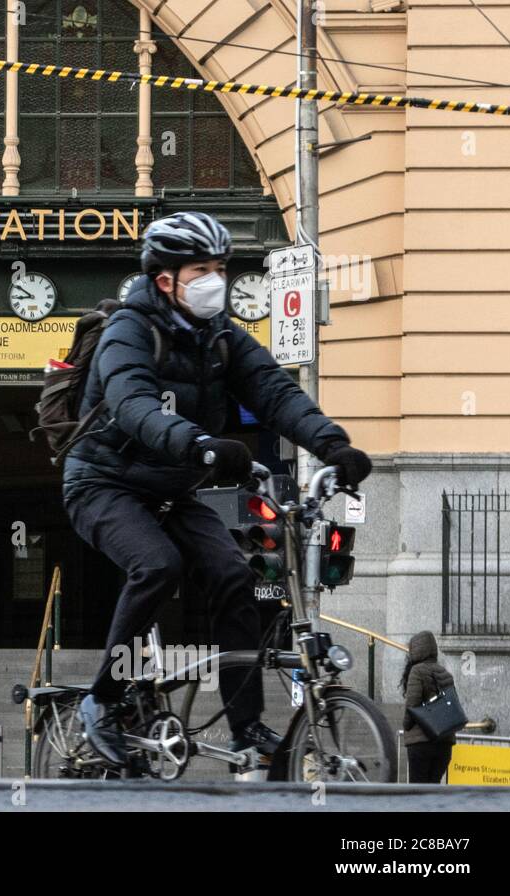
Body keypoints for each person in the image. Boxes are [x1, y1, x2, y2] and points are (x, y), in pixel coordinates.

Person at [63, 211, 373, 767]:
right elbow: (133, 406)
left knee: (236, 576)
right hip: (103, 482)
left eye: (221, 268)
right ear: (166, 280)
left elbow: (276, 393)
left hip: (173, 488)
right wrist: (201, 444)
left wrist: (333, 445)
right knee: (157, 565)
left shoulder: (222, 336)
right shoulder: (128, 331)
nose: (216, 280)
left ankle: (247, 727)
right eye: (201, 269)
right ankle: (101, 700)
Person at [401, 630, 457, 784]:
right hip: (444, 744)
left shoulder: (417, 671)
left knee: (417, 793)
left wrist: (406, 725)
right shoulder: (445, 672)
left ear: (416, 650)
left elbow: (412, 705)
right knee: (433, 789)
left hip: (421, 744)